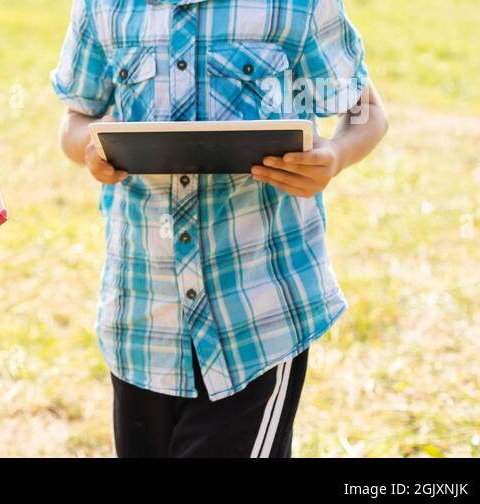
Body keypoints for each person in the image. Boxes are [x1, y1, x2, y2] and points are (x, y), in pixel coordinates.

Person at [53, 0, 388, 457]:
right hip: (142, 320)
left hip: (257, 317)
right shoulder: (102, 7)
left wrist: (334, 155)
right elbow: (75, 120)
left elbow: (366, 112)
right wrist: (89, 147)